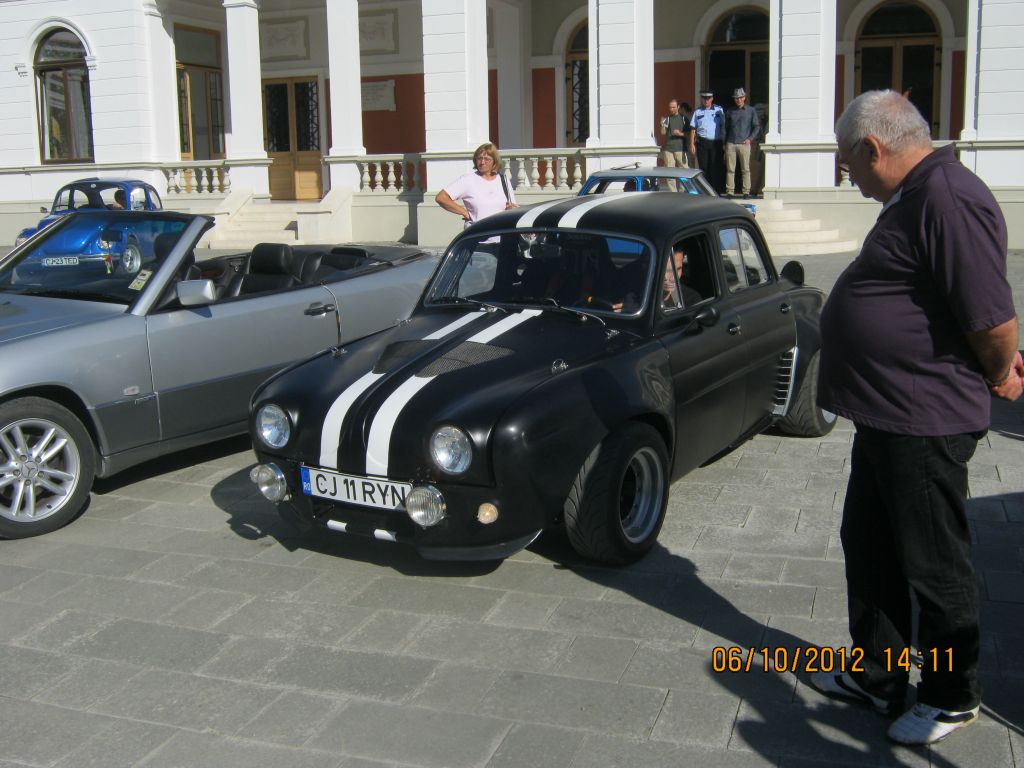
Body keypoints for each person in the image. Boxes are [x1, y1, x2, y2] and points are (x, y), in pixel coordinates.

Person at [811, 89, 1024, 746]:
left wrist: (998, 370)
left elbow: (992, 316)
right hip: (888, 415)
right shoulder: (916, 194)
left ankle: (951, 692)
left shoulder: (947, 197)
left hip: (924, 419)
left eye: (849, 163)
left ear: (874, 148)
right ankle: (877, 672)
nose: (848, 176)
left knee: (932, 562)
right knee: (868, 544)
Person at [435, 142, 517, 227]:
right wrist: (464, 212)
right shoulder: (468, 180)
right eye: (479, 158)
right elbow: (441, 197)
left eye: (487, 159)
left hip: (502, 235)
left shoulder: (504, 180)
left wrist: (511, 209)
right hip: (477, 235)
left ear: (494, 161)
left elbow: (512, 206)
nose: (482, 162)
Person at [724, 87, 760, 199]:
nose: (738, 100)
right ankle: (730, 191)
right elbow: (725, 128)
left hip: (744, 143)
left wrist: (750, 138)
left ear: (744, 98)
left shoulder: (751, 110)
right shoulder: (730, 111)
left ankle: (746, 191)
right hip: (731, 142)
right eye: (736, 98)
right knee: (730, 169)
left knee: (745, 169)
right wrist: (724, 143)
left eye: (740, 97)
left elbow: (756, 127)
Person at [690, 90, 725, 193]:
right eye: (704, 98)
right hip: (702, 143)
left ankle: (716, 191)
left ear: (712, 99)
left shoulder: (719, 110)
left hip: (716, 143)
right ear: (702, 99)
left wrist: (724, 142)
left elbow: (724, 126)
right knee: (704, 168)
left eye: (708, 98)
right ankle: (705, 191)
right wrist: (692, 144)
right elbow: (693, 129)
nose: (706, 100)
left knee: (715, 168)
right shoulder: (698, 112)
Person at [659, 99, 690, 189]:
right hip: (668, 149)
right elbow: (663, 133)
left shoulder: (683, 119)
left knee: (684, 171)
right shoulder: (667, 119)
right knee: (669, 172)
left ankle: (683, 192)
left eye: (673, 107)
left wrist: (680, 133)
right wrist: (662, 125)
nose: (671, 109)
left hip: (680, 148)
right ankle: (673, 193)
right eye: (670, 107)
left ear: (678, 107)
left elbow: (689, 134)